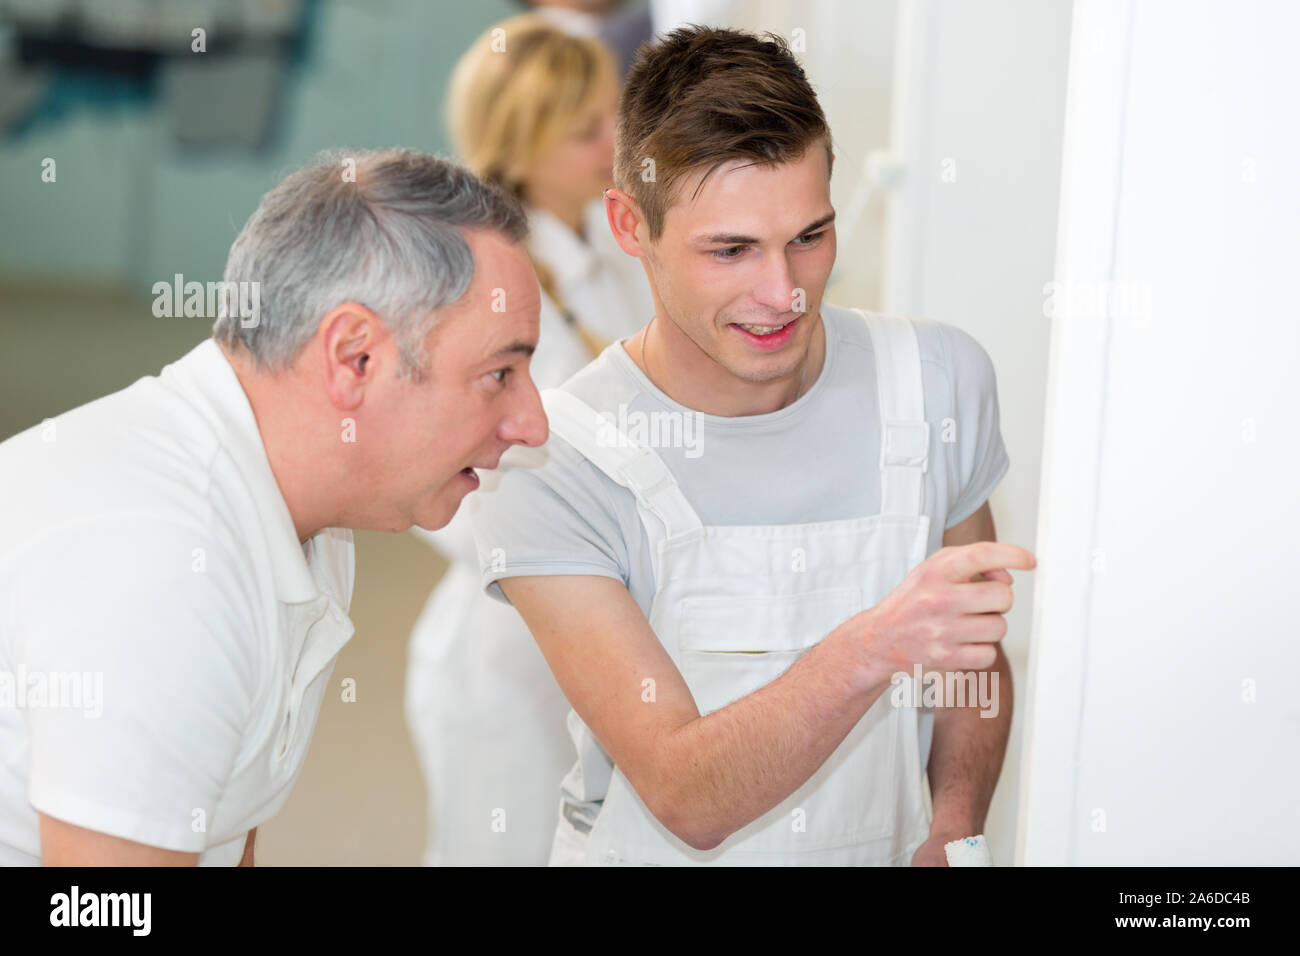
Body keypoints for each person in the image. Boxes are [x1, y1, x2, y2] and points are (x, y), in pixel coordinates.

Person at [470, 26, 1038, 866]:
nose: (783, 295)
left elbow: (971, 661)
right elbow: (686, 793)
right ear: (631, 224)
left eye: (809, 237)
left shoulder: (937, 382)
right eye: (730, 251)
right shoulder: (555, 462)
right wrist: (874, 644)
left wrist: (954, 829)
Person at [0, 148, 545, 865]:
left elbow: (225, 825)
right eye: (499, 373)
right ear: (355, 358)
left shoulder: (302, 509)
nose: (532, 423)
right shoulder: (166, 564)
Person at [405, 13, 651, 865]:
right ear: (523, 143)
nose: (615, 141)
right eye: (588, 130)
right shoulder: (477, 288)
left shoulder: (611, 253)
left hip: (601, 634)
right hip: (507, 653)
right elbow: (442, 491)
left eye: (615, 114)